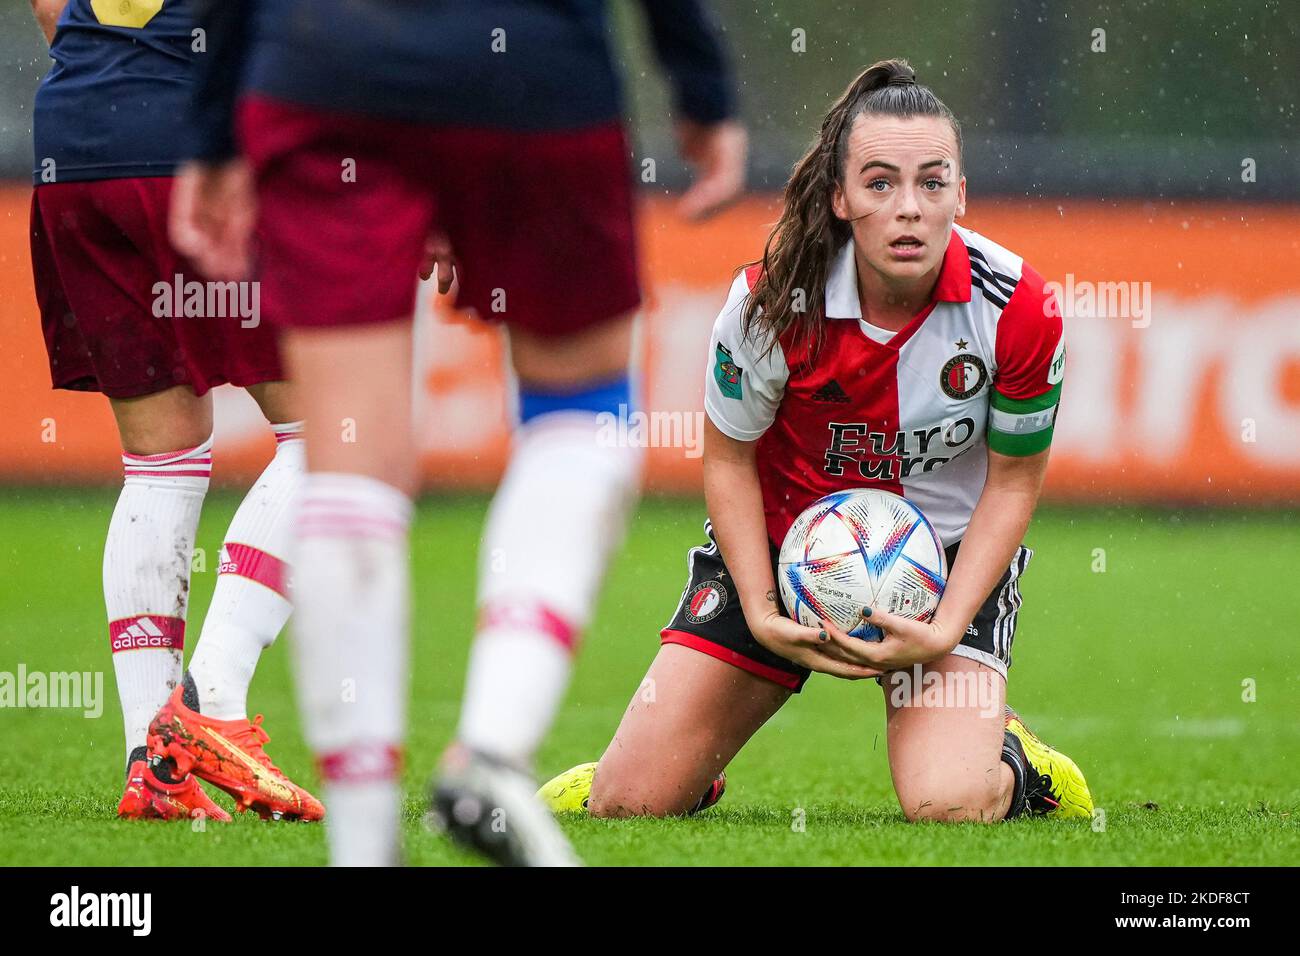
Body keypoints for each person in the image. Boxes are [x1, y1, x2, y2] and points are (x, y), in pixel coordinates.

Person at [171, 0, 746, 865]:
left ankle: (362, 843)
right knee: (582, 418)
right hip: (529, 66)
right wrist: (699, 81)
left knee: (347, 464)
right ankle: (491, 752)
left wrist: (213, 127)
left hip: (325, 66)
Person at [541, 59, 1094, 825]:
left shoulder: (1022, 308)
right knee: (630, 803)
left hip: (949, 569)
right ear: (839, 198)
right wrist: (763, 609)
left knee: (950, 804)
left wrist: (940, 626)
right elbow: (730, 459)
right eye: (879, 183)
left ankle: (1013, 762)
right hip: (779, 553)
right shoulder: (770, 301)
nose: (909, 209)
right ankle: (678, 766)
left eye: (933, 183)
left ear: (960, 194)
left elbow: (1014, 482)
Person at [28, 0, 321, 821]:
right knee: (340, 434)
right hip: (200, 146)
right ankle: (208, 700)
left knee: (160, 462)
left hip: (79, 141)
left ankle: (153, 766)